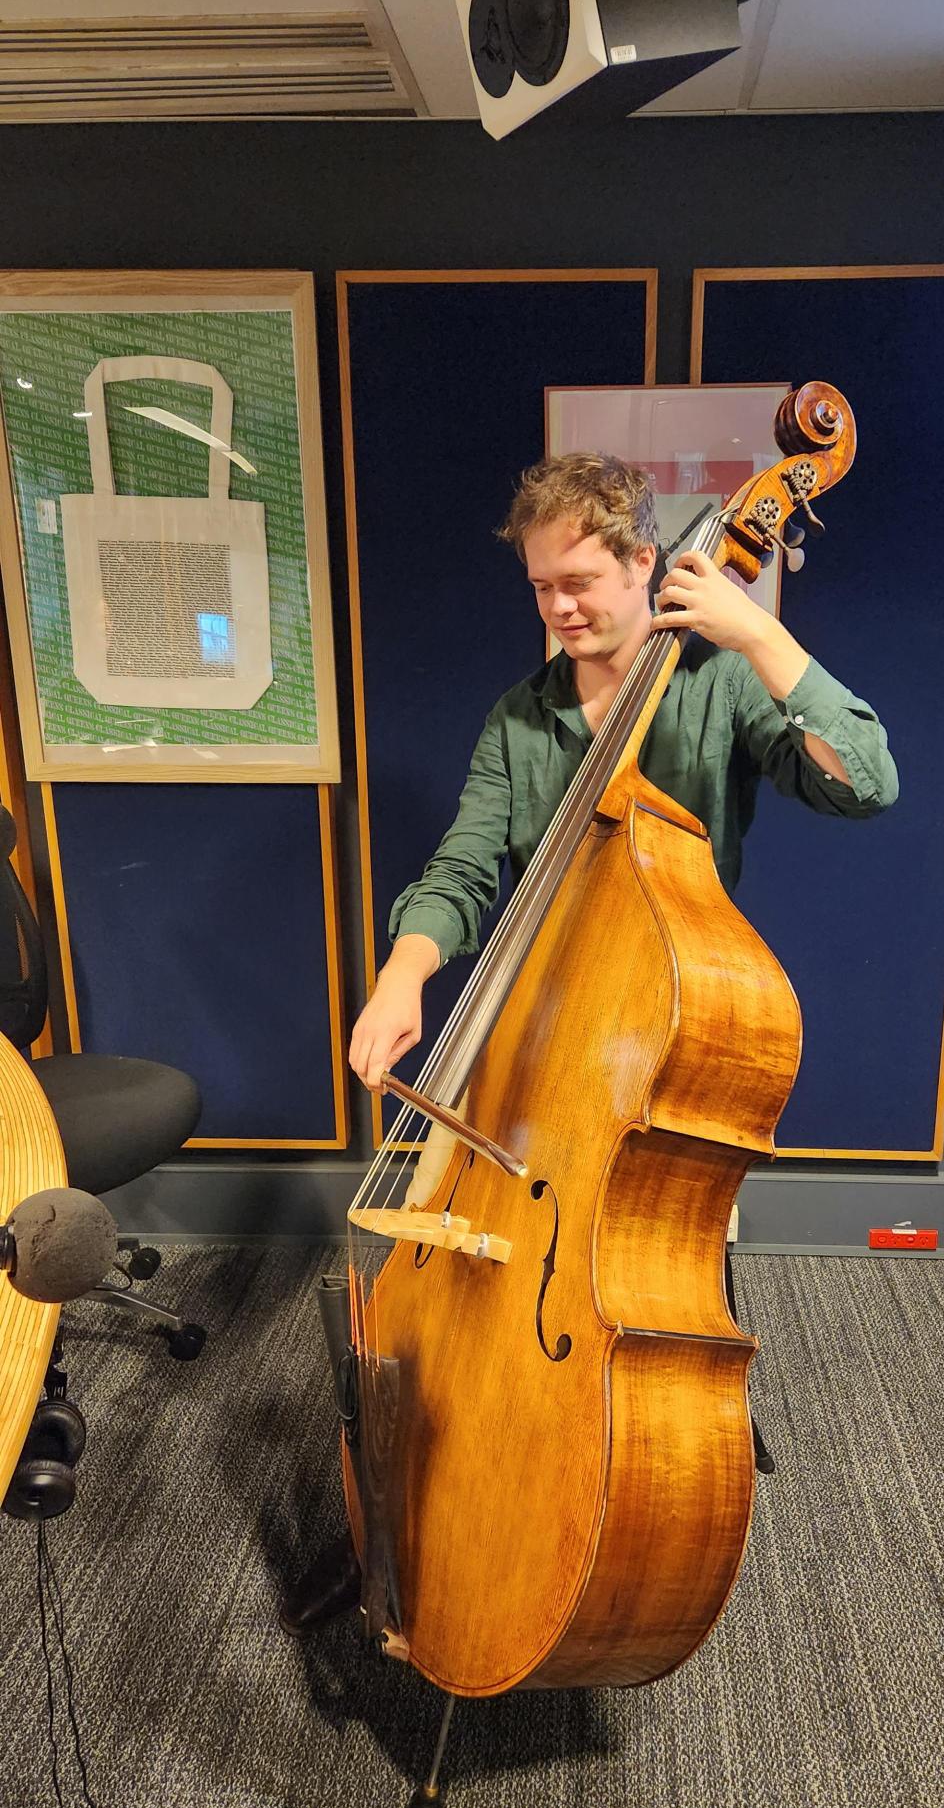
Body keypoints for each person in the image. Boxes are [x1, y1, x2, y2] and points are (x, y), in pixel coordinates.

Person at [279, 452, 898, 1636]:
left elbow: (863, 783)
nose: (561, 605)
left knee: (630, 1275)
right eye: (539, 586)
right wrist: (404, 975)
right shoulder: (520, 719)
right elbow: (462, 871)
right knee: (455, 1275)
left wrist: (760, 635)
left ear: (642, 560)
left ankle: (611, 1505)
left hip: (661, 1038)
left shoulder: (717, 683)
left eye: (580, 578)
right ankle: (421, 1487)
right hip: (528, 1031)